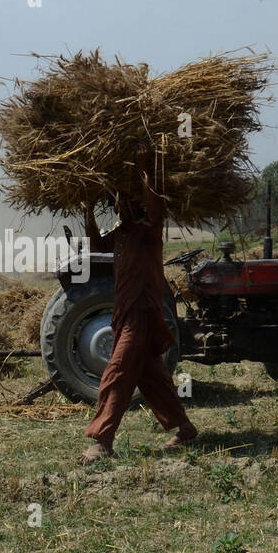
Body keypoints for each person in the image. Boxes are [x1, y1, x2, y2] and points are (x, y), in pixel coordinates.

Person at [78, 144, 197, 464]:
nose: (121, 208)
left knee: (116, 372)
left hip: (142, 314)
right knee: (152, 376)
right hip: (123, 315)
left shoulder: (149, 232)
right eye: (118, 203)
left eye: (126, 202)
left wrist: (145, 166)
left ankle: (102, 439)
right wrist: (87, 207)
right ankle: (185, 429)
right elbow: (95, 244)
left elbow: (156, 206)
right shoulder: (121, 234)